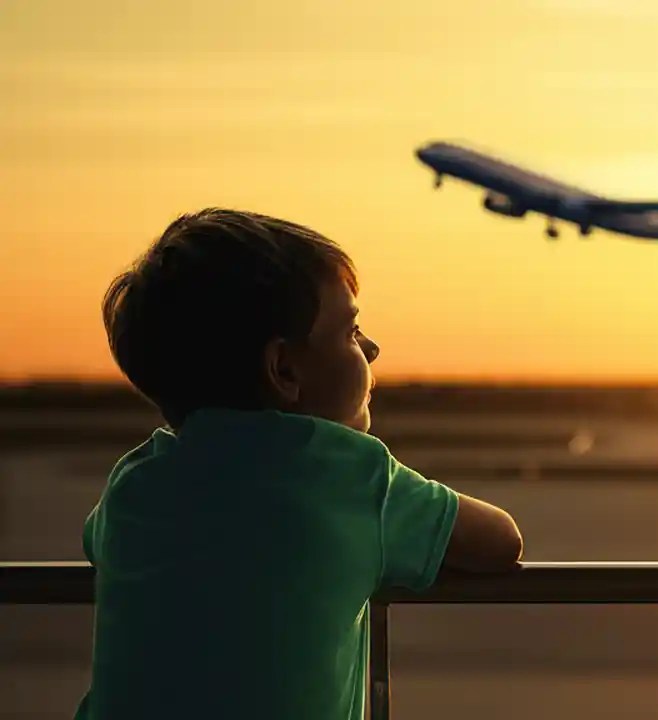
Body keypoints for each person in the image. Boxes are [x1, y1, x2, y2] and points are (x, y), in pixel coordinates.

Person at [74, 208, 523, 719]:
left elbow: (100, 544)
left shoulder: (136, 483)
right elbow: (500, 541)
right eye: (351, 331)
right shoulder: (345, 475)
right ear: (284, 369)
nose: (372, 349)